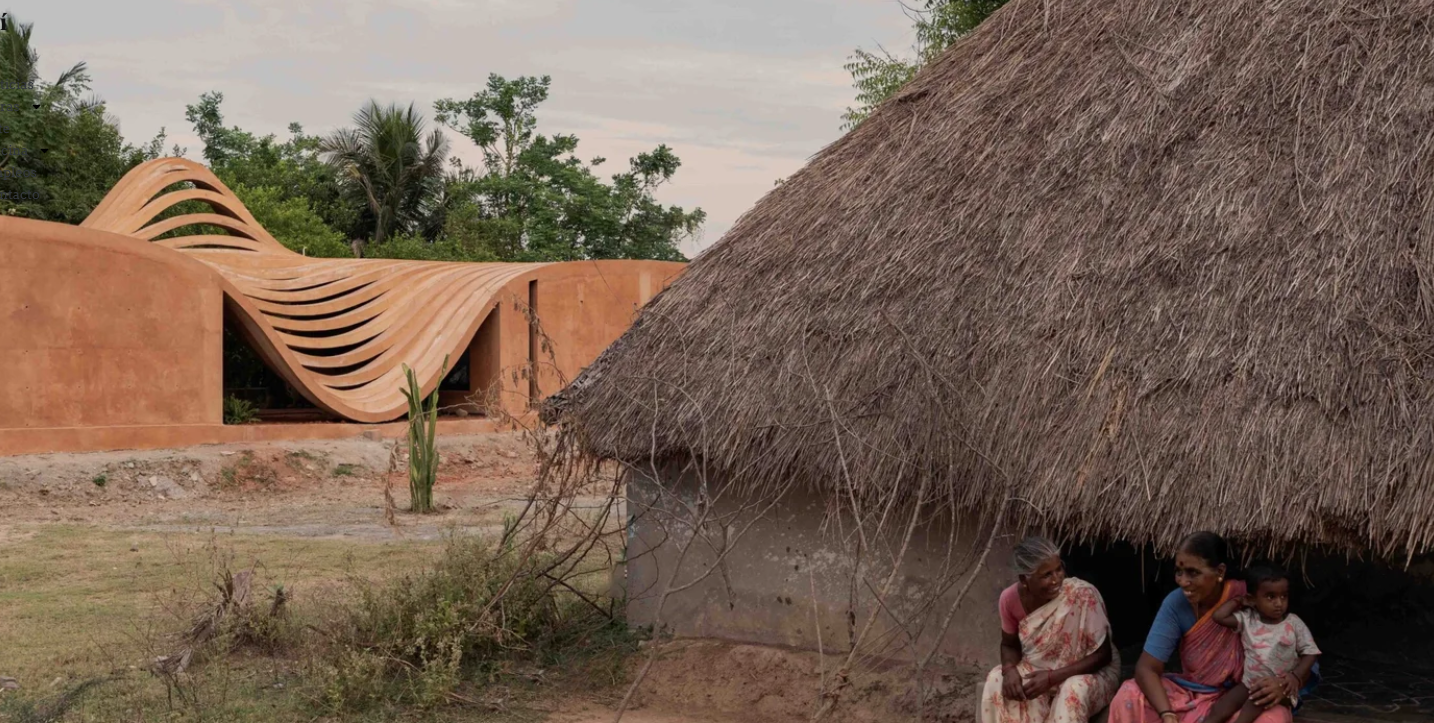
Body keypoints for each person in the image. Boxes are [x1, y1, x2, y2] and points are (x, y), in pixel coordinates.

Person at [1108, 532, 1317, 723]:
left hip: (1243, 697)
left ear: (1220, 571)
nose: (1182, 581)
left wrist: (1284, 685)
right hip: (1191, 694)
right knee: (1129, 694)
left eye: (1192, 573)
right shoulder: (1176, 604)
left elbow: (1302, 655)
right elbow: (1146, 668)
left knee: (1273, 718)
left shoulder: (1252, 597)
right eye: (1179, 572)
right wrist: (1167, 714)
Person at [980, 536, 1120, 723]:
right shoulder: (1009, 600)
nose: (1057, 580)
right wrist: (1009, 669)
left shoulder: (1081, 594)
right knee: (996, 679)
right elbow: (1009, 645)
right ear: (1024, 579)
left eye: (1059, 569)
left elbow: (1104, 656)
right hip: (1041, 671)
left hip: (1090, 673)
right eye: (1046, 575)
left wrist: (1051, 678)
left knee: (1072, 689)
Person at [1203, 564, 1321, 723]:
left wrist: (1295, 677)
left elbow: (1311, 652)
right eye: (1271, 597)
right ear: (1252, 599)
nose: (1279, 603)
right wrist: (1239, 601)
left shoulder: (1293, 623)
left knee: (1252, 707)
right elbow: (1219, 616)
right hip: (1249, 683)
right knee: (1220, 709)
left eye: (1283, 596)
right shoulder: (1247, 619)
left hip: (1280, 688)